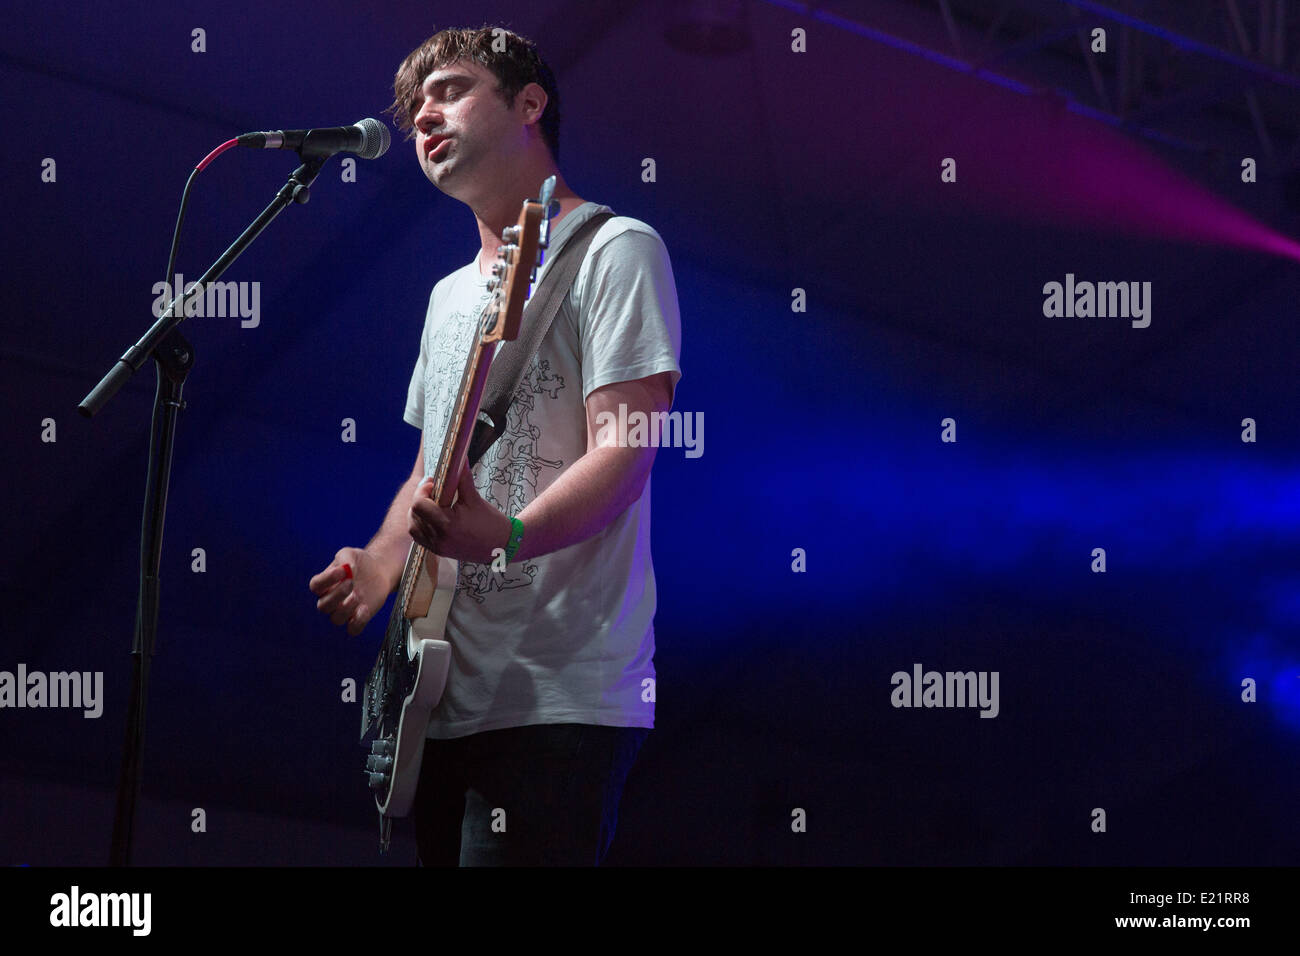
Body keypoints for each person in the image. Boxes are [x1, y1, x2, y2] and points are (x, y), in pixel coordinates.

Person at [308, 25, 682, 866]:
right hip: (439, 694)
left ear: (529, 104)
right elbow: (430, 473)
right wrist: (376, 566)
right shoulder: (445, 299)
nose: (424, 118)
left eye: (448, 90)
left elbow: (626, 451)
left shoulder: (617, 251)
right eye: (414, 110)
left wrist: (507, 536)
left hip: (560, 690)